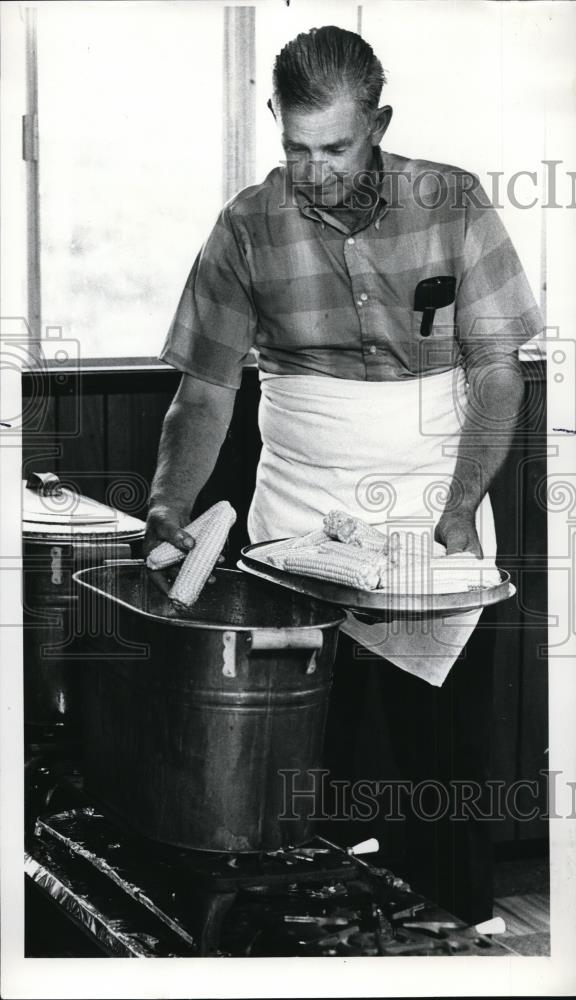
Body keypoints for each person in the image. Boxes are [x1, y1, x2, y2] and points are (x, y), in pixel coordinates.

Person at [144, 26, 543, 923]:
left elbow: (497, 374)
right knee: (313, 759)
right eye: (296, 147)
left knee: (436, 759)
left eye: (337, 147)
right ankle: (309, 938)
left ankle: (451, 936)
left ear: (380, 123)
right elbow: (204, 391)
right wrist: (169, 501)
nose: (314, 169)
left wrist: (461, 506)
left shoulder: (456, 202)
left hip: (438, 496)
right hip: (298, 508)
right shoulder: (247, 225)